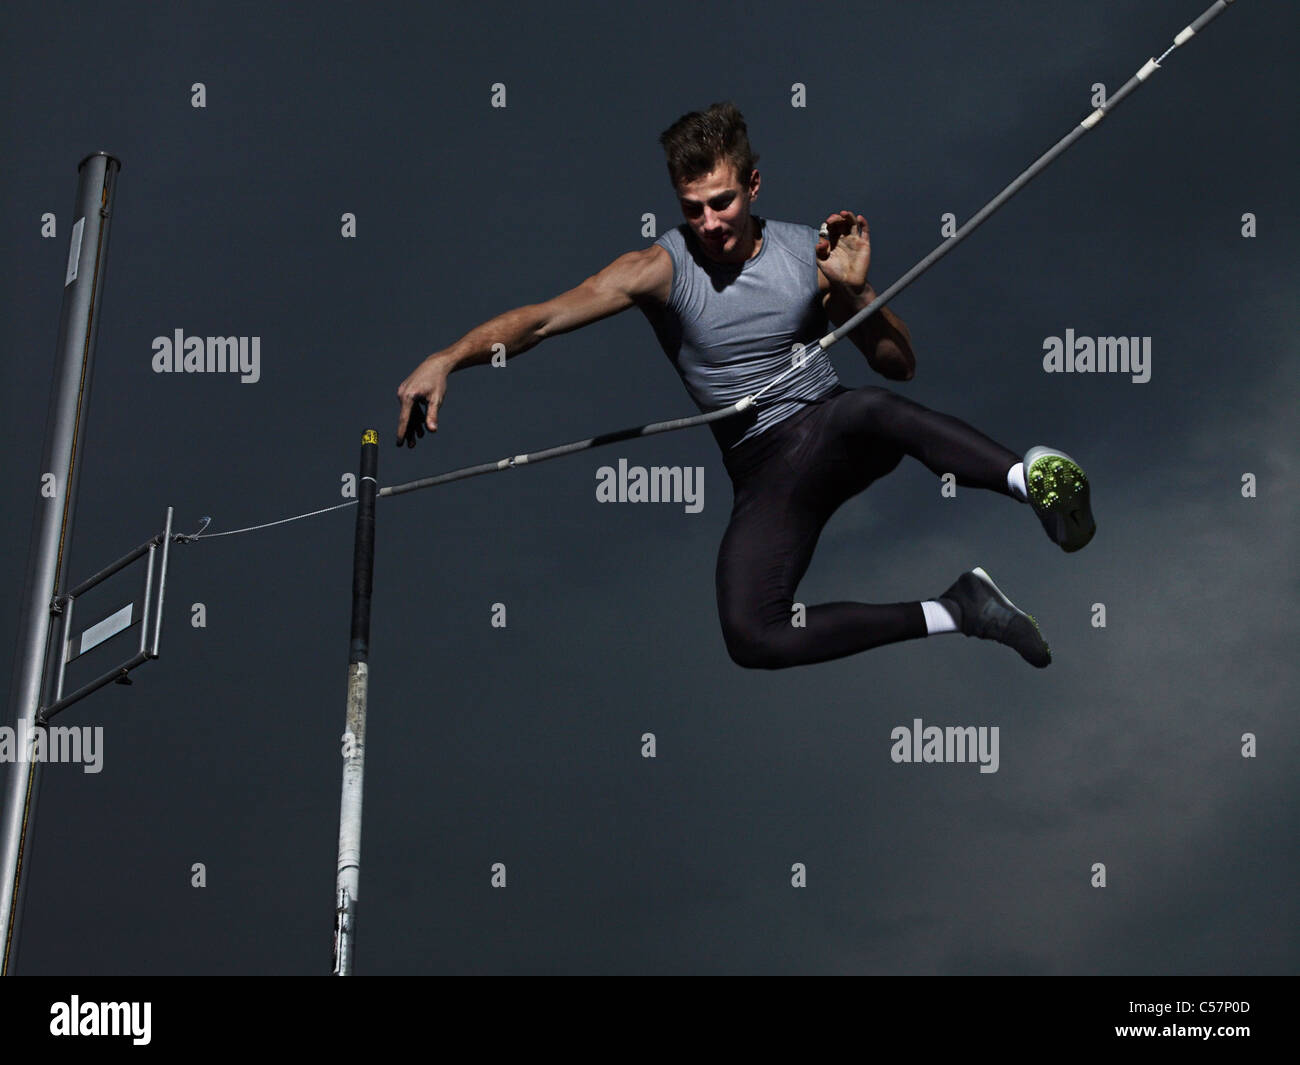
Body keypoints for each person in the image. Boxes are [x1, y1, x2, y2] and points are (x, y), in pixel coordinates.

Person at [395, 101, 1094, 670]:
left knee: (870, 407)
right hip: (765, 471)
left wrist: (854, 295)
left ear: (753, 185)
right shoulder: (659, 268)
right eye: (692, 208)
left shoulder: (809, 252)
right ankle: (962, 609)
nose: (707, 224)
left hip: (834, 425)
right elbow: (542, 320)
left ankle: (1029, 478)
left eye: (721, 202)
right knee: (751, 634)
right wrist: (448, 356)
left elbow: (898, 364)